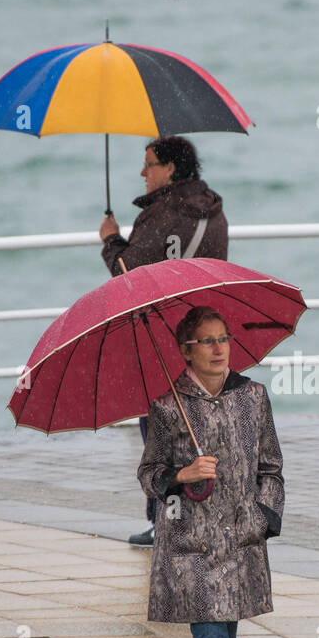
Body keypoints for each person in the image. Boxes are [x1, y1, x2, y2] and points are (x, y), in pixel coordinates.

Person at [137, 305, 283, 638]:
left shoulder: (254, 396)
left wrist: (264, 516)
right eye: (208, 341)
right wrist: (181, 474)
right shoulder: (165, 407)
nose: (220, 348)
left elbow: (272, 468)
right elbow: (148, 473)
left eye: (224, 339)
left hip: (240, 544)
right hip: (191, 548)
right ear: (186, 351)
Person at [100, 136, 229, 548]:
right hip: (202, 331)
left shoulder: (165, 213)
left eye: (149, 164)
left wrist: (110, 239)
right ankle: (202, 512)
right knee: (197, 425)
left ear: (171, 168)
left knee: (157, 427)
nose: (143, 172)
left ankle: (165, 521)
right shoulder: (212, 209)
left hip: (162, 334)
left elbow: (129, 273)